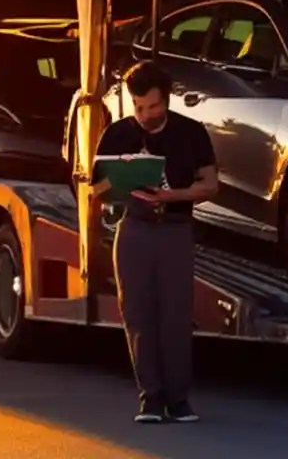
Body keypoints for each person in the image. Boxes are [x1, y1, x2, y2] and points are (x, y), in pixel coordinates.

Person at [90, 60, 218, 424]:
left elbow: (210, 184)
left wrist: (170, 195)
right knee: (137, 314)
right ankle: (150, 399)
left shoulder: (190, 133)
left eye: (153, 106)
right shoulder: (118, 134)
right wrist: (124, 175)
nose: (146, 114)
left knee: (176, 316)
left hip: (176, 228)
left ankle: (179, 401)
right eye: (139, 107)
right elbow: (95, 189)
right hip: (134, 228)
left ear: (167, 100)